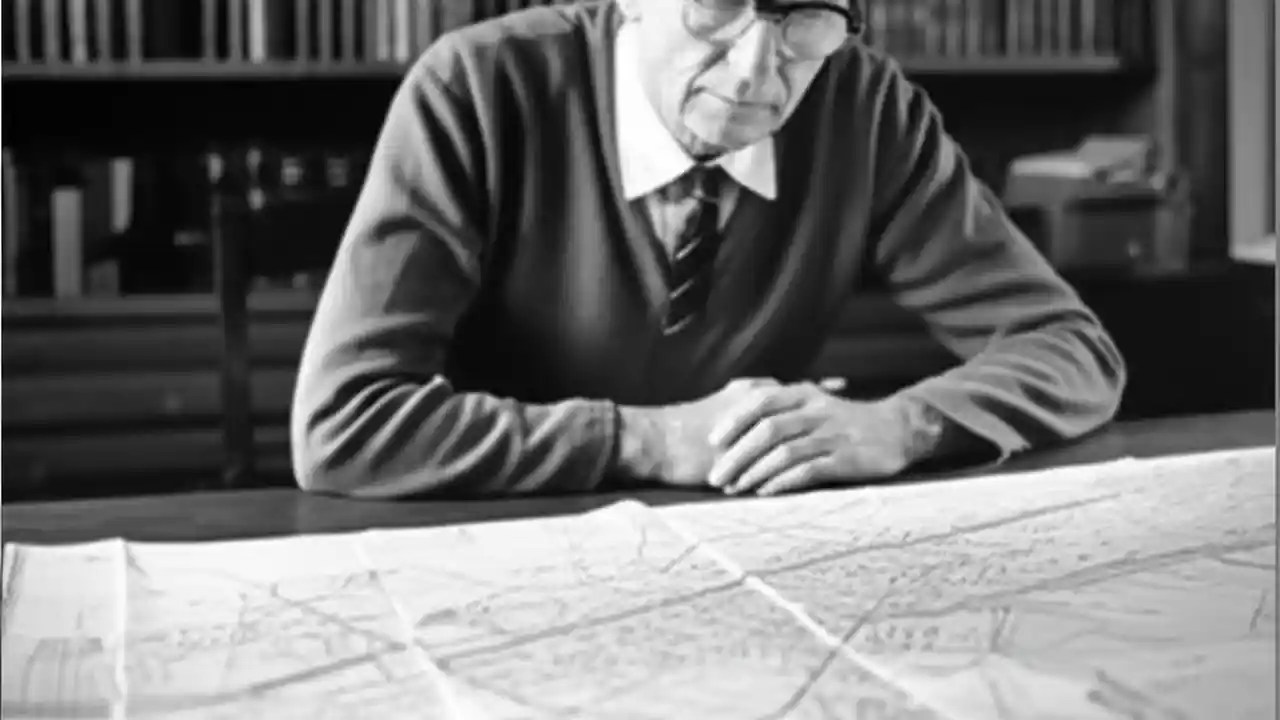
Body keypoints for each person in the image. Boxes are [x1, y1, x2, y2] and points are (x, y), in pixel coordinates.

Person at [289, 0, 1127, 499]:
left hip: (746, 559)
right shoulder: (476, 87)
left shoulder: (867, 108)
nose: (758, 71)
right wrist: (650, 442)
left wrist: (902, 428)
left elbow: (1072, 350)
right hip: (497, 548)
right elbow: (344, 425)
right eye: (719, 7)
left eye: (805, 19)